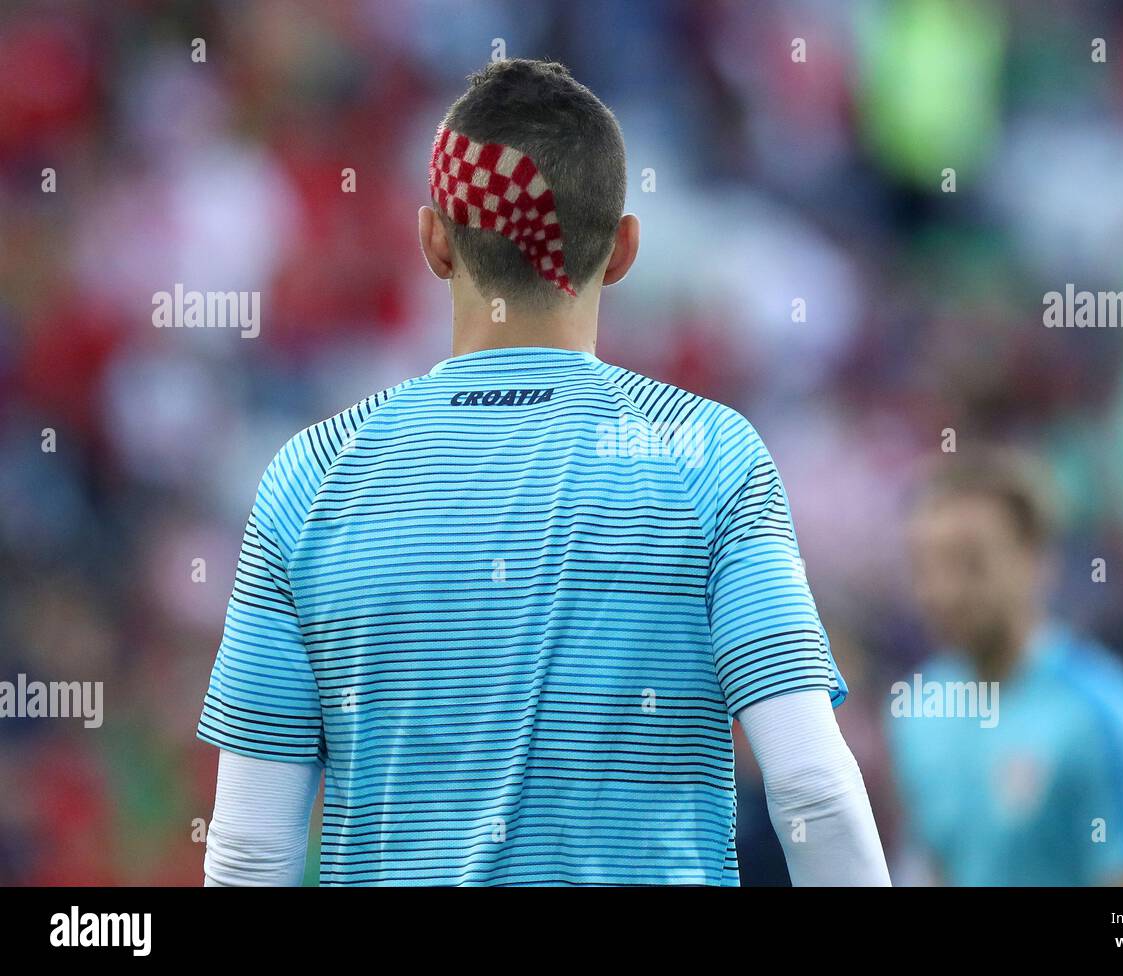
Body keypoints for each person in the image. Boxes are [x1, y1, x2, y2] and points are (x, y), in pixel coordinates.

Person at [197, 58, 890, 887]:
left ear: (433, 241)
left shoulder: (309, 477)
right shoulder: (710, 456)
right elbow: (811, 785)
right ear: (625, 247)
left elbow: (248, 850)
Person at [889, 447, 1123, 885]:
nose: (941, 591)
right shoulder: (916, 710)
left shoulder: (1105, 711)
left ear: (1035, 560)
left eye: (970, 563)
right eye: (925, 566)